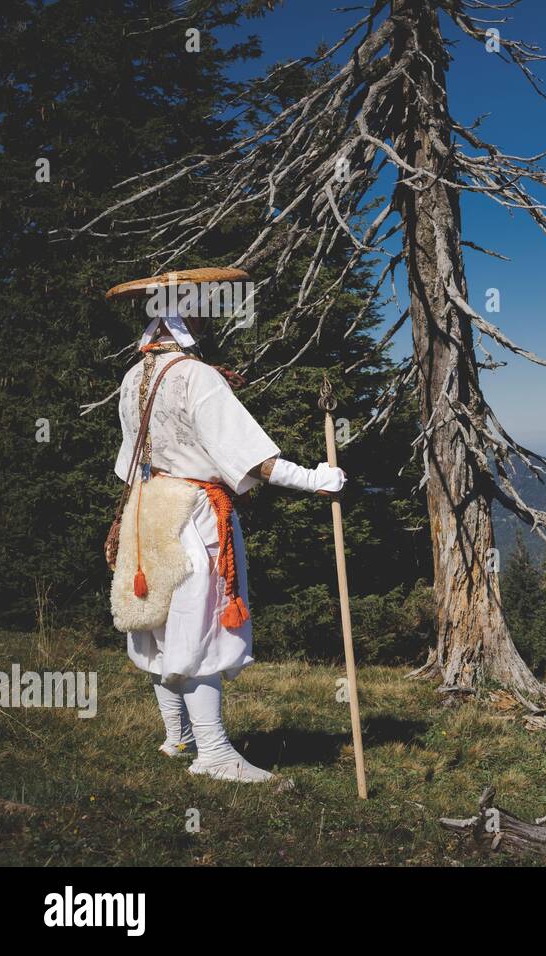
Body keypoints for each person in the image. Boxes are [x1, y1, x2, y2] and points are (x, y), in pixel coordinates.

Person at [108, 269, 345, 783]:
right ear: (182, 318)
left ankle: (177, 737)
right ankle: (213, 755)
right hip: (194, 513)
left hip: (148, 509)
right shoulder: (196, 376)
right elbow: (250, 457)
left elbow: (128, 461)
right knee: (201, 625)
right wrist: (315, 479)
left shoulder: (132, 378)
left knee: (161, 623)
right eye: (194, 310)